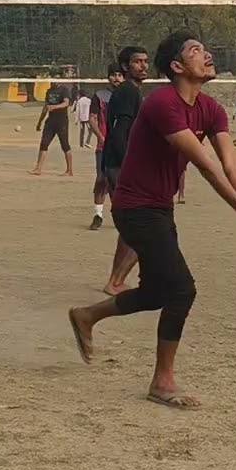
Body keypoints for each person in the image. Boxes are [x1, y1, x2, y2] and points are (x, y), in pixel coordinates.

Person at [67, 31, 236, 410]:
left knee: (159, 292)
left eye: (205, 48)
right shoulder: (162, 103)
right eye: (196, 51)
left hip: (160, 208)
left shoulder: (211, 109)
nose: (207, 54)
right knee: (181, 290)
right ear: (177, 66)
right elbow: (206, 166)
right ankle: (162, 382)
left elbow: (231, 163)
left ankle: (86, 315)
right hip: (134, 208)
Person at [102, 46, 149, 293]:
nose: (143, 65)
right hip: (121, 167)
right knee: (141, 227)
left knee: (131, 227)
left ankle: (115, 279)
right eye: (137, 62)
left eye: (145, 61)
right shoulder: (128, 93)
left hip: (118, 166)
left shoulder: (131, 92)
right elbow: (120, 135)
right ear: (124, 67)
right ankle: (115, 282)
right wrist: (132, 168)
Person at [87, 64, 123, 229]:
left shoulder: (129, 95)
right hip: (104, 147)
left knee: (119, 181)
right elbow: (92, 119)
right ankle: (98, 214)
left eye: (119, 75)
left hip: (123, 146)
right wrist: (101, 138)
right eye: (113, 75)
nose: (116, 78)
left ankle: (120, 214)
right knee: (102, 179)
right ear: (108, 77)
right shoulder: (99, 96)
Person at [30, 82, 73, 176]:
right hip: (50, 122)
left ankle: (69, 170)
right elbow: (45, 107)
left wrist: (55, 107)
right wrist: (40, 121)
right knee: (44, 143)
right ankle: (38, 169)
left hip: (61, 121)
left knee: (65, 144)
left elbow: (66, 103)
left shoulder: (64, 90)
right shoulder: (49, 91)